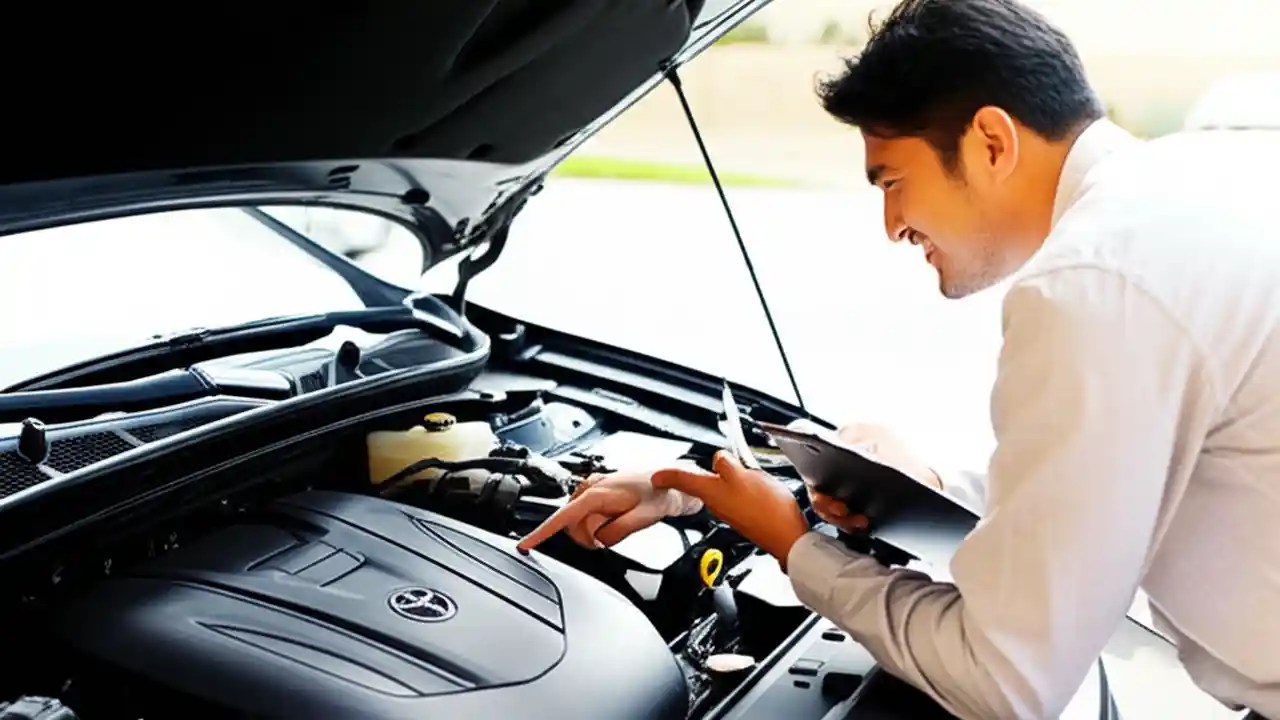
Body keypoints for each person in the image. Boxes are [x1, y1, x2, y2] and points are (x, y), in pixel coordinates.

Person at [517, 0, 1280, 717]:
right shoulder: (1187, 188)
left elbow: (1007, 682)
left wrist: (793, 546)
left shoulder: (1091, 284)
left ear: (990, 143)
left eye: (893, 182)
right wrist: (925, 487)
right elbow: (1105, 491)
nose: (891, 225)